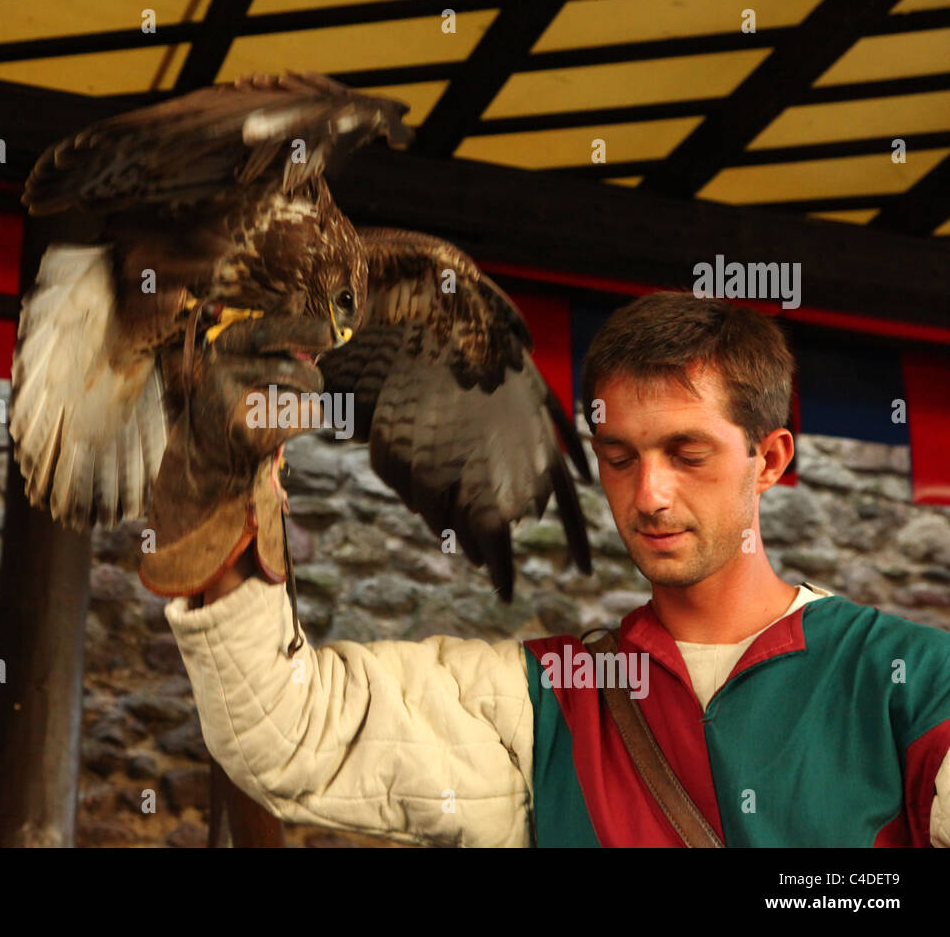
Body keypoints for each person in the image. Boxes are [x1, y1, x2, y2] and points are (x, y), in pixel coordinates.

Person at [140, 291, 950, 847]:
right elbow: (294, 737)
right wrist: (222, 511)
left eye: (687, 452)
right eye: (620, 457)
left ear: (770, 459)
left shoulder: (910, 680)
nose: (650, 494)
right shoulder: (545, 703)